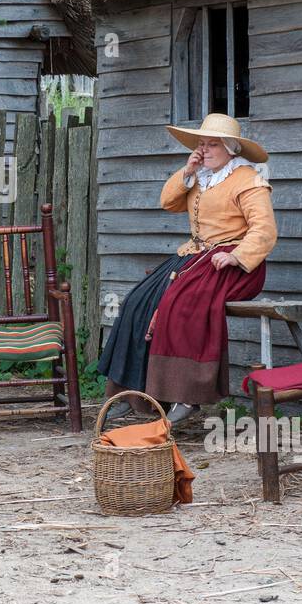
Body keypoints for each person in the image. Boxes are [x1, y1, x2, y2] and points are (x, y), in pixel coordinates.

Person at [97, 113, 277, 423]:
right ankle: (131, 391)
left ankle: (187, 396)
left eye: (212, 144)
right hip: (195, 257)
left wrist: (237, 256)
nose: (204, 149)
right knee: (137, 301)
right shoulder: (200, 176)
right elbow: (168, 201)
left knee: (179, 304)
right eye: (201, 144)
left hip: (235, 263)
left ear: (232, 149)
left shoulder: (249, 179)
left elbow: (265, 229)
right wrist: (188, 169)